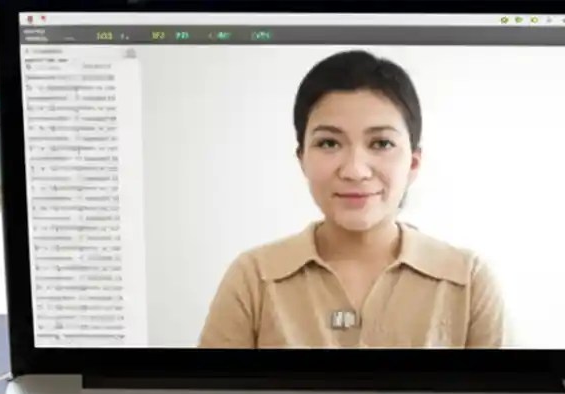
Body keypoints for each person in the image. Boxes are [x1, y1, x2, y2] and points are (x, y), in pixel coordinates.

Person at [198, 49, 509, 349]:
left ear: (413, 163)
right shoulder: (254, 277)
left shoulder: (469, 280)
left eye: (382, 143)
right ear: (302, 159)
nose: (355, 171)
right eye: (329, 142)